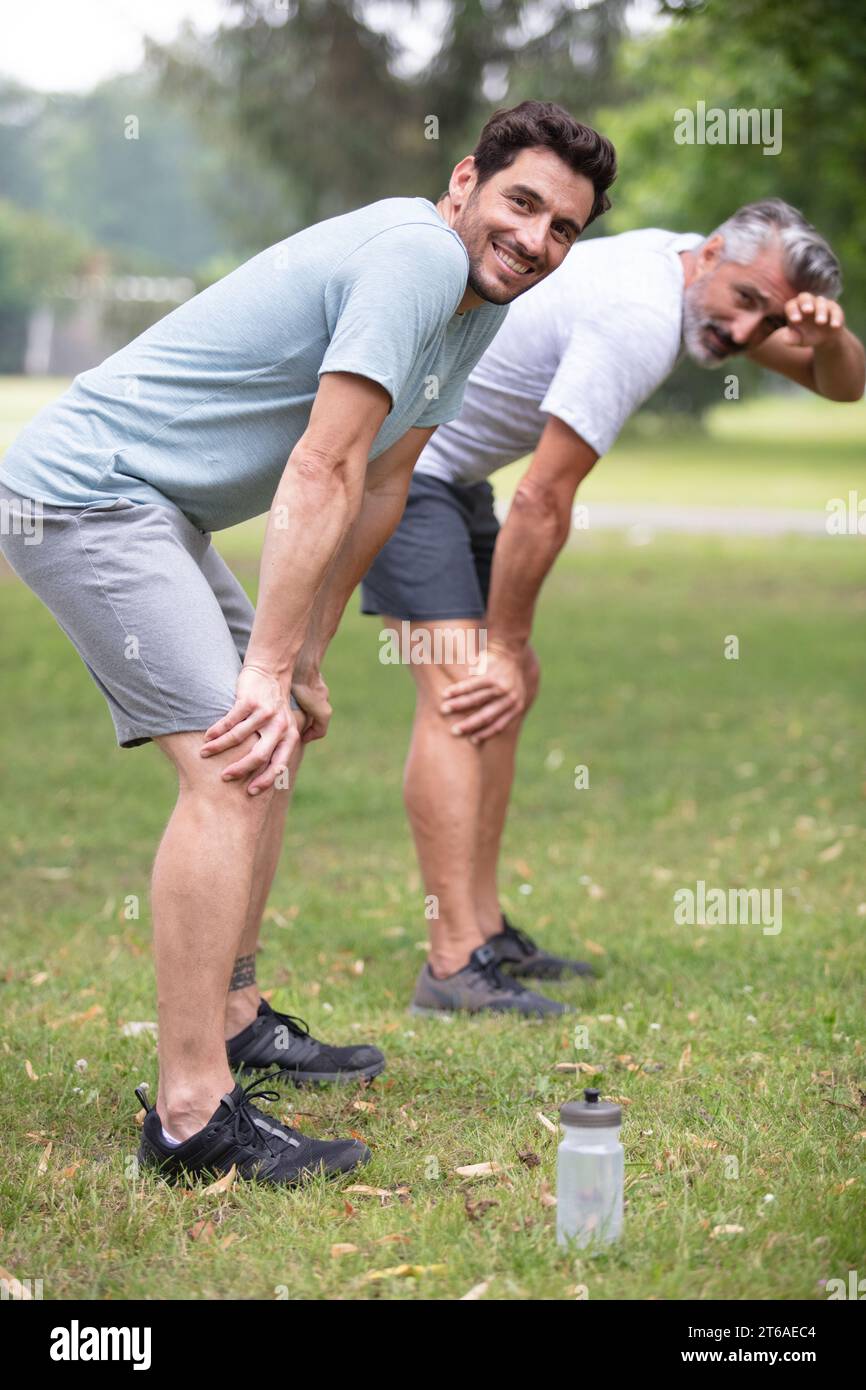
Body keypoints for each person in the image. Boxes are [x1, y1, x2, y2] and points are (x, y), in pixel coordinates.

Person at [0, 101, 617, 1187]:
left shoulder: (475, 309)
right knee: (236, 762)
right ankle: (192, 1116)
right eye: (521, 204)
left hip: (154, 509)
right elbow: (322, 466)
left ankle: (234, 1019)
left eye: (562, 228)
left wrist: (306, 659)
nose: (534, 240)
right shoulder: (415, 258)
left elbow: (385, 478)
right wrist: (262, 667)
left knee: (266, 740)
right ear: (467, 180)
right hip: (83, 497)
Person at [360, 198, 865, 1017]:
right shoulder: (640, 315)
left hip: (447, 471)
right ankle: (451, 965)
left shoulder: (702, 280)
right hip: (400, 464)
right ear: (709, 257)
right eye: (745, 304)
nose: (745, 333)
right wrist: (504, 644)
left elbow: (842, 386)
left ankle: (482, 931)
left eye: (766, 318)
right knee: (465, 693)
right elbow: (544, 500)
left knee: (503, 698)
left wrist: (828, 334)